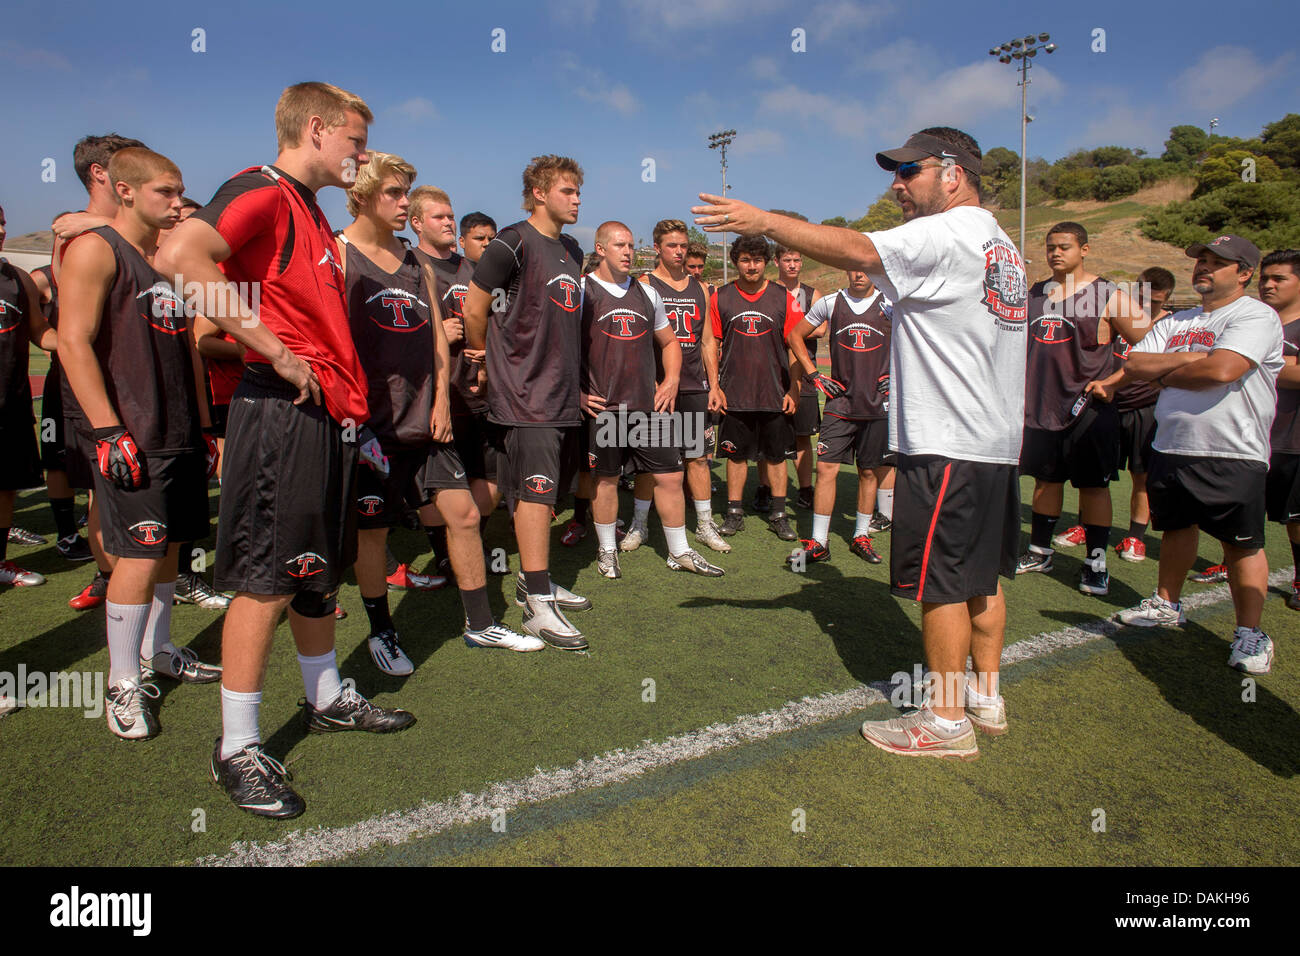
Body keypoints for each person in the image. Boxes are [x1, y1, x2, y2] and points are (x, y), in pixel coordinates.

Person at [695, 126, 1026, 760]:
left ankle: (945, 720)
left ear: (952, 173)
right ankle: (986, 694)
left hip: (948, 442)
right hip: (994, 444)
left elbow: (854, 248)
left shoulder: (948, 231)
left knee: (943, 583)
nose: (896, 186)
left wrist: (762, 219)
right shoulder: (1001, 244)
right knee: (980, 577)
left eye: (910, 173)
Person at [159, 82, 415, 819]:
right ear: (315, 128)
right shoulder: (263, 190)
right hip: (278, 409)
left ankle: (326, 696)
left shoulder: (308, 209)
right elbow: (181, 255)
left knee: (312, 573)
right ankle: (235, 747)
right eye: (355, 141)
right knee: (266, 580)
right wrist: (270, 346)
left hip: (323, 415)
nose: (360, 156)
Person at [341, 155, 540, 664]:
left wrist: (441, 404)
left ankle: (481, 624)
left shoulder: (414, 262)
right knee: (373, 531)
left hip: (430, 418)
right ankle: (382, 629)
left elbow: (434, 339)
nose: (403, 202)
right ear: (361, 196)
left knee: (467, 515)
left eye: (406, 192)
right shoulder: (338, 255)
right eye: (393, 193)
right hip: (369, 425)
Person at [58, 147, 223, 741]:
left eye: (181, 192)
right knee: (140, 552)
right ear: (125, 190)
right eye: (166, 192)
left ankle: (160, 651)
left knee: (171, 548)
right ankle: (121, 682)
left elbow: (191, 353)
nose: (178, 203)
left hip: (179, 430)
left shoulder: (169, 259)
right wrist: (106, 430)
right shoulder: (97, 249)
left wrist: (205, 429)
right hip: (132, 431)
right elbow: (72, 341)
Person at [1099, 236, 1282, 675]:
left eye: (1218, 263)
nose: (1204, 268)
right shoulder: (1179, 320)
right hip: (1171, 444)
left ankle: (1250, 632)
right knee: (1178, 529)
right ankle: (1167, 602)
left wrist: (1176, 367)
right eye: (1201, 261)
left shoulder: (1256, 315)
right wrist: (1193, 360)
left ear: (1243, 273)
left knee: (1241, 544)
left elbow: (1223, 370)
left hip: (1233, 449)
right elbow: (1138, 364)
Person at [462, 155, 592, 651]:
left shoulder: (573, 249)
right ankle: (537, 605)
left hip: (562, 394)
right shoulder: (511, 242)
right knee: (535, 494)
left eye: (578, 191)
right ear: (539, 192)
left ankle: (533, 579)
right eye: (567, 190)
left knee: (548, 496)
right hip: (525, 395)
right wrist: (484, 359)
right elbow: (475, 306)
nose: (577, 198)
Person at [580, 220, 723, 580]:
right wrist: (577, 392)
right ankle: (607, 550)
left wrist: (672, 379)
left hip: (648, 407)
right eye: (619, 245)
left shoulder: (647, 294)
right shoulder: (584, 291)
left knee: (672, 476)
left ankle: (679, 551)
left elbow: (671, 342)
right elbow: (559, 347)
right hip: (607, 407)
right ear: (600, 249)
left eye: (630, 245)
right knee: (607, 481)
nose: (628, 252)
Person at [1014, 223, 1147, 597]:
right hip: (1041, 404)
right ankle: (1040, 551)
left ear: (1084, 250)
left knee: (1092, 487)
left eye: (1065, 247)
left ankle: (1096, 562)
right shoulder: (1036, 293)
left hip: (1089, 408)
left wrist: (1115, 380)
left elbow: (1152, 342)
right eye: (1050, 247)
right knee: (1045, 480)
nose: (1056, 253)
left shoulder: (1107, 294)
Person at [631, 219, 727, 553]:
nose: (679, 252)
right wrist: (651, 380)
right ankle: (640, 525)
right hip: (657, 387)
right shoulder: (643, 284)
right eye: (672, 246)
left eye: (683, 245)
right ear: (657, 248)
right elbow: (637, 341)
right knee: (650, 461)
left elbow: (707, 340)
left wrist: (713, 384)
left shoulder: (699, 287)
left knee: (697, 457)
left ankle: (703, 524)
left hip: (693, 386)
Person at [784, 270, 892, 566]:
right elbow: (794, 335)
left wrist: (898, 375)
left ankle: (860, 536)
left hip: (876, 406)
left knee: (869, 472)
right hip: (839, 405)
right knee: (827, 469)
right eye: (853, 268)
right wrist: (814, 373)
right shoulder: (831, 303)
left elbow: (916, 340)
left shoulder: (890, 303)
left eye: (865, 268)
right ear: (846, 270)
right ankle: (819, 542)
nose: (859, 274)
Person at [708, 235, 803, 543]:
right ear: (736, 262)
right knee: (735, 457)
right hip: (734, 394)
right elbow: (711, 344)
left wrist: (794, 389)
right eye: (746, 260)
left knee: (776, 458)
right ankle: (734, 513)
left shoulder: (783, 296)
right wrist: (715, 386)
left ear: (767, 262)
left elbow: (795, 346)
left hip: (774, 393)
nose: (752, 266)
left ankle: (779, 514)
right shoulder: (721, 296)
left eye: (758, 260)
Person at [0, 207, 58, 588]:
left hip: (12, 402)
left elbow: (41, 333)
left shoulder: (17, 279)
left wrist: (79, 344)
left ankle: (1, 562)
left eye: (3, 221)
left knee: (6, 484)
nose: (1, 229)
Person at [1109, 266, 1175, 563]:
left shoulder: (1171, 325)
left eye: (1156, 301)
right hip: (1109, 403)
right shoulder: (1119, 316)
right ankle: (1086, 526)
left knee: (1141, 476)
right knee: (1095, 476)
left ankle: (1136, 537)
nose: (1149, 305)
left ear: (1167, 298)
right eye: (1145, 297)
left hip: (1143, 408)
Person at [1258, 249, 1300, 611]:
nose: (1268, 284)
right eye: (1264, 277)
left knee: (1297, 518)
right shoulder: (1255, 322)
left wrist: (1254, 358)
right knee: (1240, 510)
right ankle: (1230, 564)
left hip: (1293, 438)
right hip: (1250, 436)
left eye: (1279, 278)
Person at [773, 245, 823, 512]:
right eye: (787, 260)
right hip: (773, 373)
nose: (792, 265)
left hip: (804, 373)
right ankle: (765, 489)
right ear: (777, 262)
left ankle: (805, 489)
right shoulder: (770, 291)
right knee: (770, 437)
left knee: (803, 436)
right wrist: (802, 326)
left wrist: (791, 329)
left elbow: (823, 327)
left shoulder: (813, 294)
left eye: (796, 260)